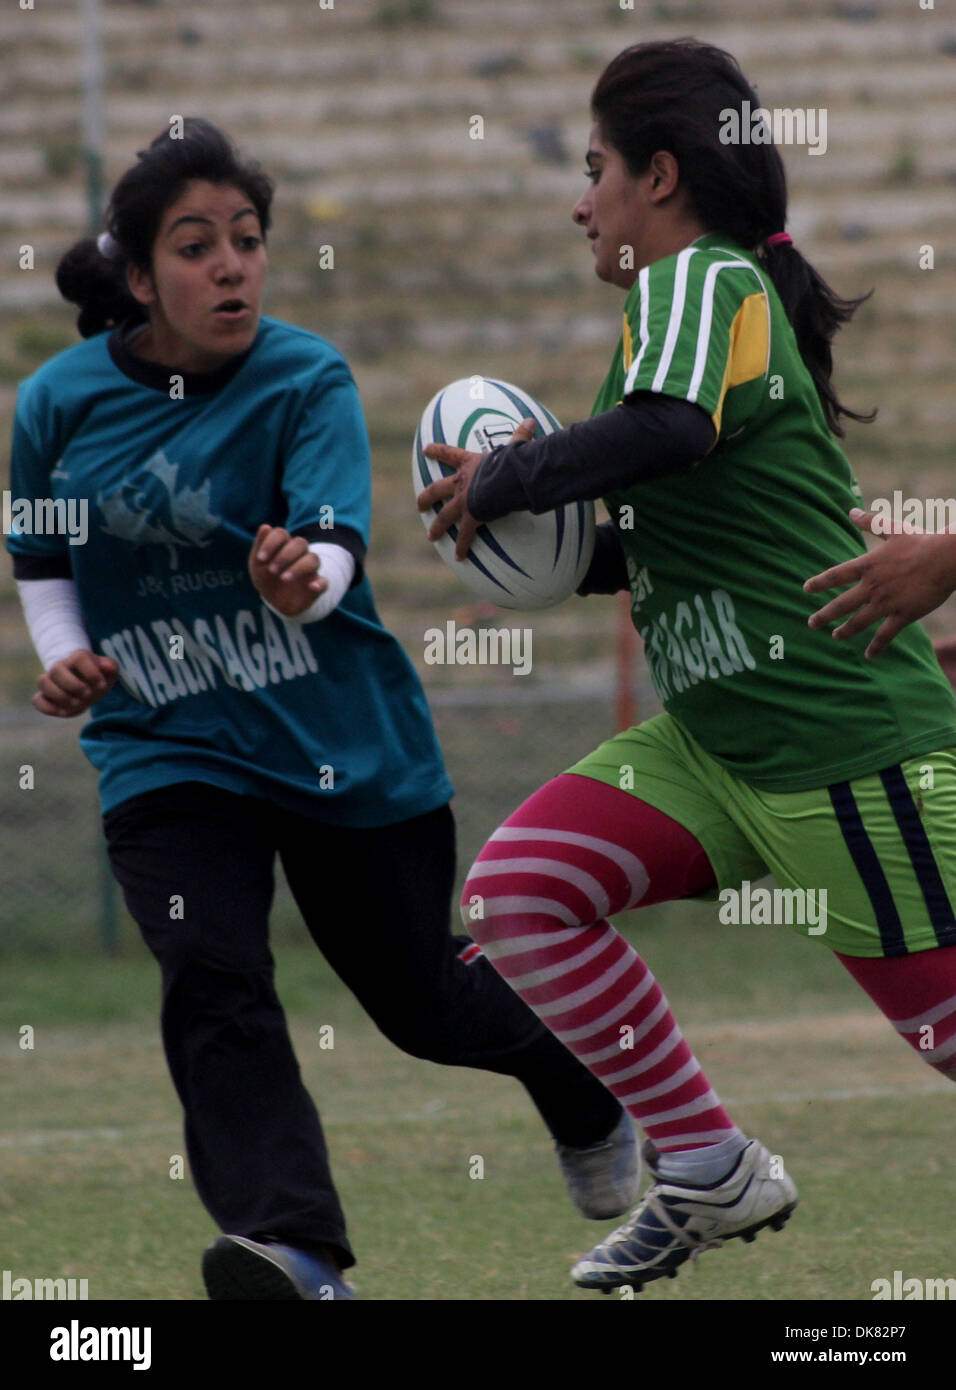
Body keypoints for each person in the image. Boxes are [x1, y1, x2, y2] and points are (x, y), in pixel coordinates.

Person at [6, 118, 642, 1302]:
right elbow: (39, 551)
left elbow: (338, 540)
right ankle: (293, 1250)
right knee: (211, 970)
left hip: (342, 749)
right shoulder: (56, 403)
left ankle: (578, 1084)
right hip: (167, 744)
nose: (232, 265)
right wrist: (69, 656)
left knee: (422, 1002)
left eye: (246, 240)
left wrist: (308, 580)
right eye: (195, 248)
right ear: (138, 277)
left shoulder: (305, 376)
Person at [417, 39, 956, 1295]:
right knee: (522, 890)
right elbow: (661, 530)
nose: (579, 198)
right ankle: (707, 1164)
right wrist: (546, 545)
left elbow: (664, 433)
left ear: (659, 177)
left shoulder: (696, 280)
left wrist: (508, 477)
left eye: (594, 168)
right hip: (717, 744)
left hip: (839, 744)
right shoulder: (684, 311)